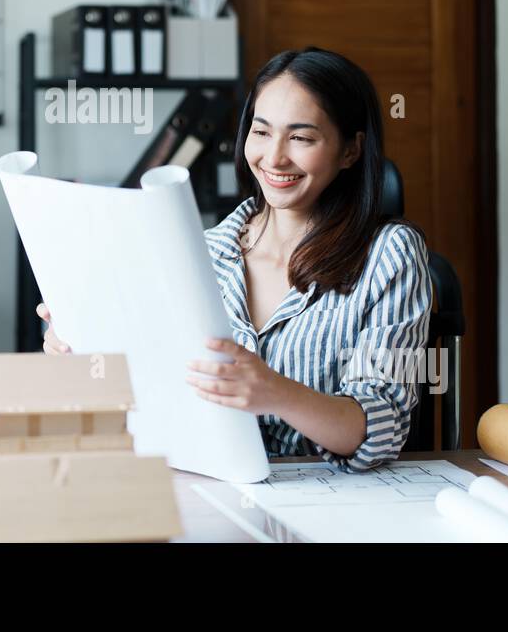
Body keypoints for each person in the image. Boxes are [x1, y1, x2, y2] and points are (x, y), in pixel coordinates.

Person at [38, 46, 433, 471]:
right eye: (261, 132)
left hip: (325, 499)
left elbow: (381, 430)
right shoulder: (197, 252)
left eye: (301, 137)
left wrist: (276, 392)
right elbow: (146, 391)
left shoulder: (389, 256)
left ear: (351, 150)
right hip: (201, 480)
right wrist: (83, 344)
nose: (275, 157)